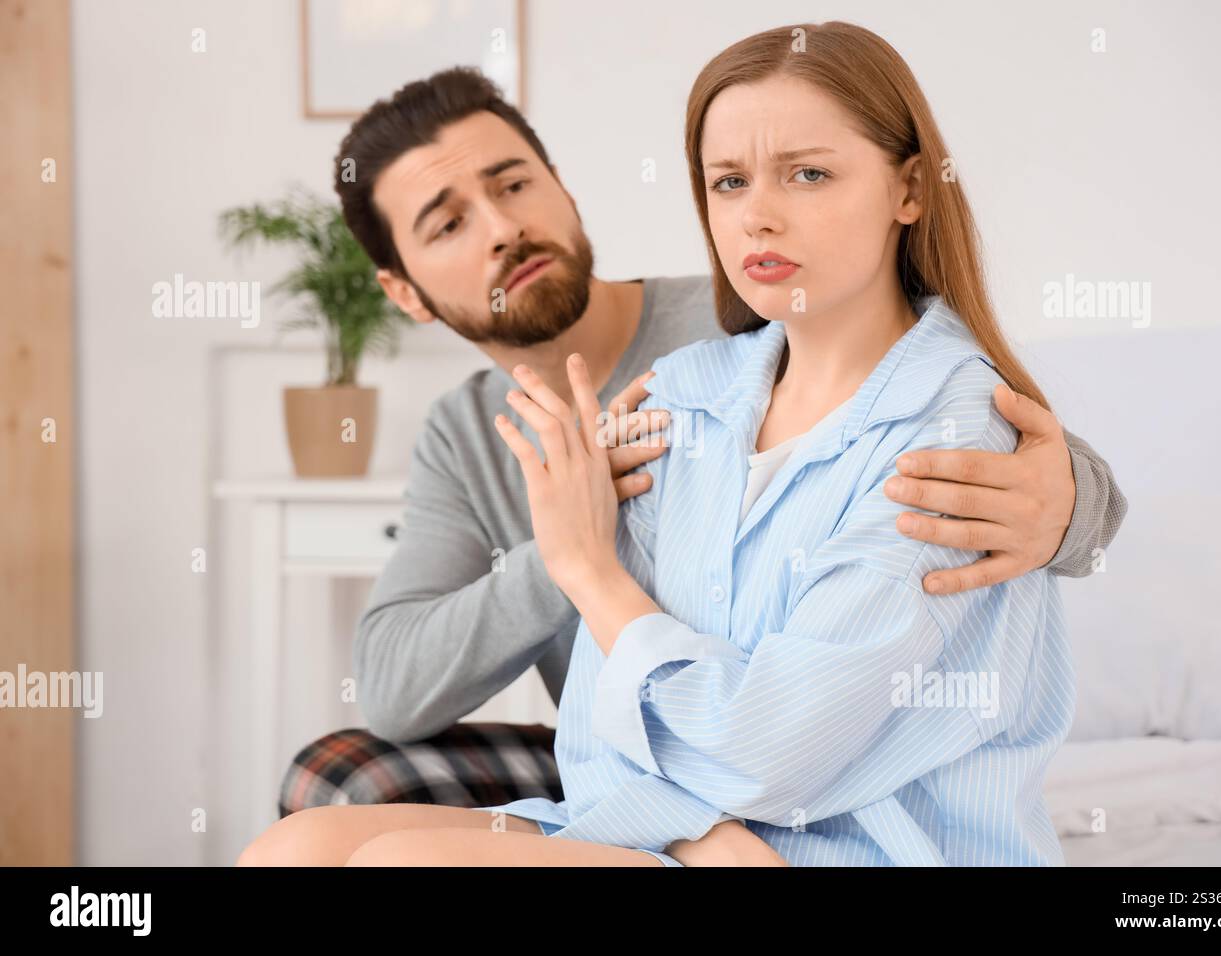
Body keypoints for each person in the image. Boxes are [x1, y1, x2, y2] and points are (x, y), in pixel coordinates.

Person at [240, 24, 1118, 866]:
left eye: (512, 186)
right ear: (405, 292)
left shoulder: (773, 314)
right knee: (305, 831)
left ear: (564, 190)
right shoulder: (657, 397)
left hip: (797, 803)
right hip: (643, 769)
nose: (501, 229)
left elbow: (974, 435)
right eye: (448, 223)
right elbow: (459, 689)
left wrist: (1074, 502)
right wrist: (568, 549)